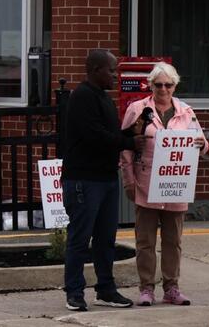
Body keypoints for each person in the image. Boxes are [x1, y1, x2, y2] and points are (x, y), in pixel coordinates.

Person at [61, 49, 144, 311]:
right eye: (111, 70)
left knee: (106, 238)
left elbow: (109, 134)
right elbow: (94, 136)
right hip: (84, 180)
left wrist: (131, 131)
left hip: (106, 179)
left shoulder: (104, 99)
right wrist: (129, 141)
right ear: (96, 70)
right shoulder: (82, 97)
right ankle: (74, 292)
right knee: (79, 238)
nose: (116, 75)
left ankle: (105, 289)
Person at [120, 62, 208, 307]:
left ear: (175, 85)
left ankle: (172, 288)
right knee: (145, 241)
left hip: (176, 184)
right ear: (151, 85)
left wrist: (203, 145)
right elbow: (125, 148)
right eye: (158, 84)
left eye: (168, 84)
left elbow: (201, 141)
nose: (163, 89)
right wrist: (128, 181)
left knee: (173, 241)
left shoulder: (186, 111)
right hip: (147, 184)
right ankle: (146, 288)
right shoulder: (137, 109)